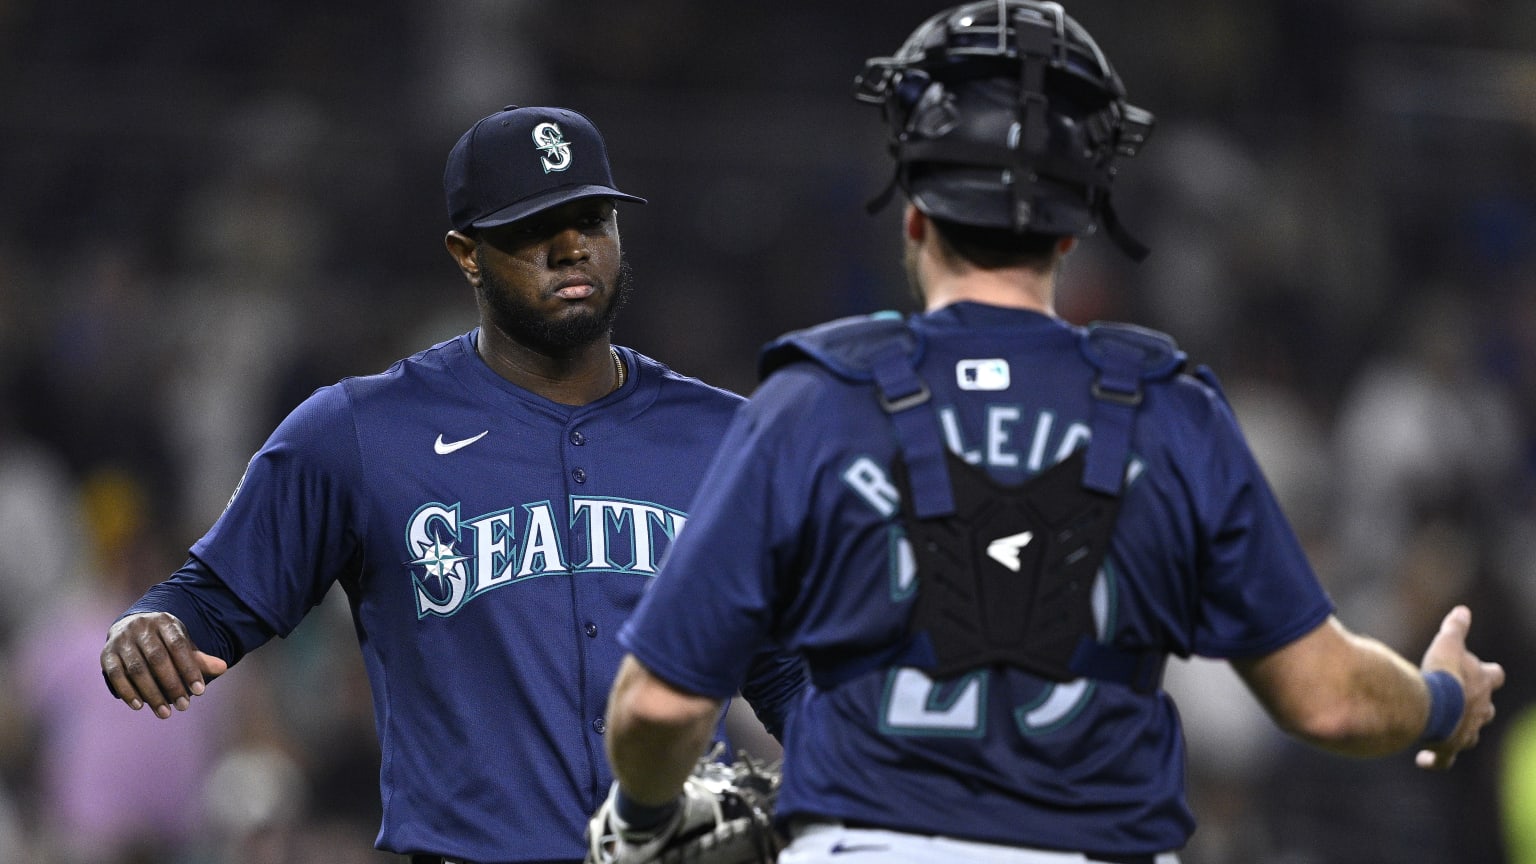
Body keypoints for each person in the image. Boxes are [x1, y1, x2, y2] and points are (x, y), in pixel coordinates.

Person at [589, 4, 1506, 864]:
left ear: (912, 209)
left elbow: (659, 704)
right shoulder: (1168, 408)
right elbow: (1329, 698)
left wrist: (641, 819)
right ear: (1075, 230)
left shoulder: (814, 403)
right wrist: (1437, 701)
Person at [99, 104, 804, 864]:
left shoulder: (728, 436)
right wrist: (147, 630)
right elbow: (209, 603)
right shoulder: (362, 432)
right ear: (466, 254)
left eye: (593, 220)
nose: (571, 248)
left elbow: (794, 675)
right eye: (536, 227)